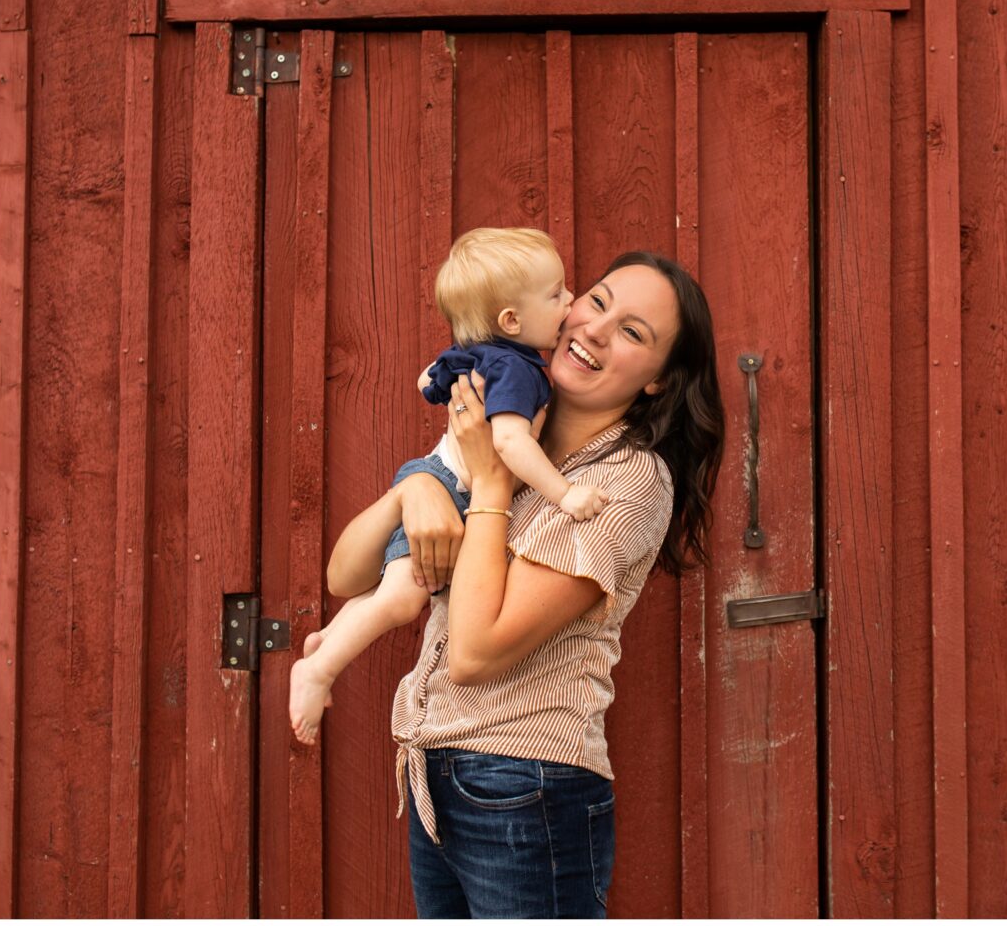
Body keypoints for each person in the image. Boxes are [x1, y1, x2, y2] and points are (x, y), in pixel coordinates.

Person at [320, 251, 724, 917]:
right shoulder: (508, 435)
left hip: (528, 783)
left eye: (632, 331)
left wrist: (490, 481)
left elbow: (475, 651)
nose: (594, 328)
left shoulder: (623, 482)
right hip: (438, 777)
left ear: (658, 380)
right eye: (596, 301)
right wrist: (415, 486)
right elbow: (346, 574)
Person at [288, 227, 609, 746]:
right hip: (451, 488)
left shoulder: (484, 353)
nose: (569, 301)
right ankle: (320, 668)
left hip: (437, 474)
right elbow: (508, 443)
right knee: (398, 602)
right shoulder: (520, 369)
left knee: (383, 593)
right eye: (556, 294)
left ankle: (329, 640)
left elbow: (429, 379)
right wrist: (564, 494)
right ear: (512, 320)